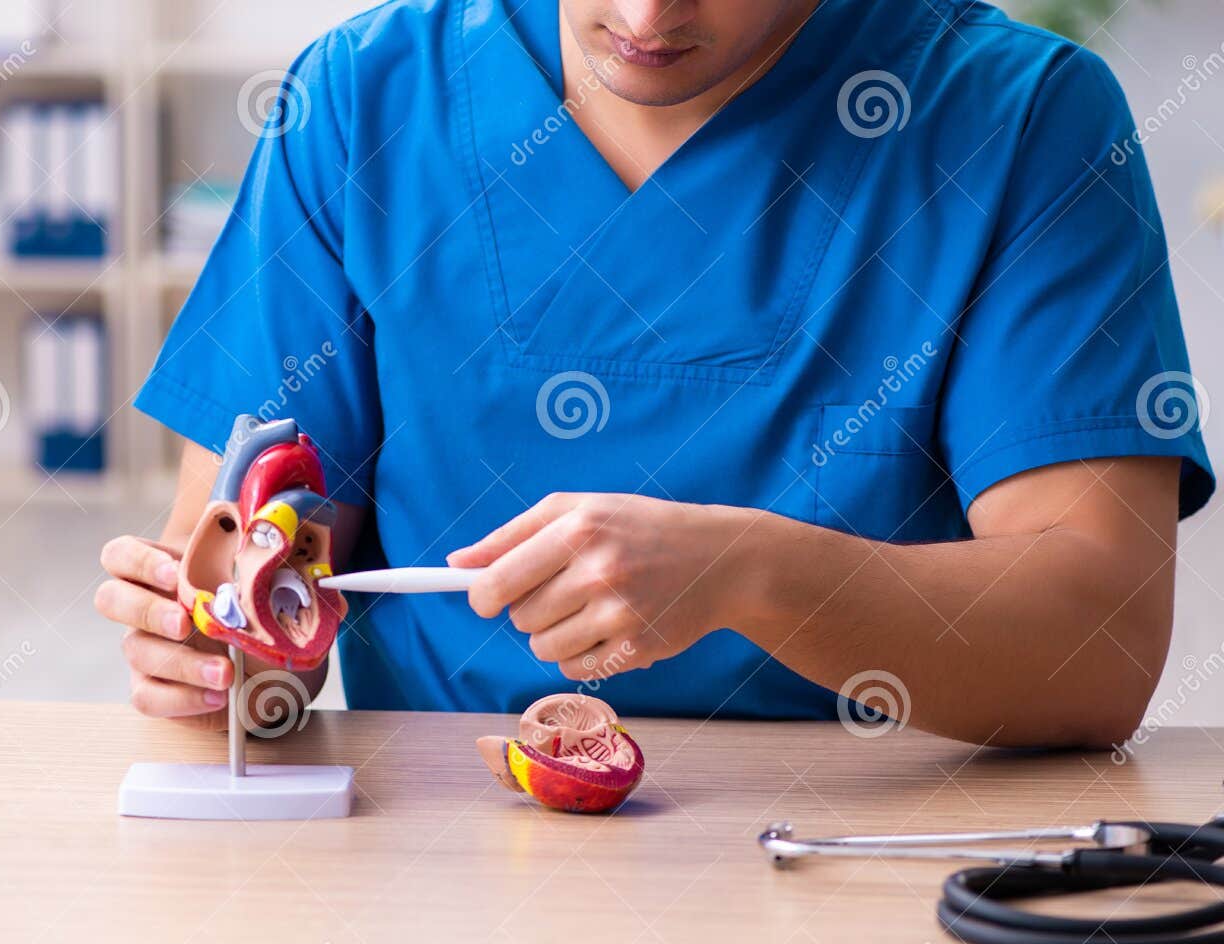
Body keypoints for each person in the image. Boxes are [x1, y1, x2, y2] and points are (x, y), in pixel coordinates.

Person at [96, 0, 1214, 747]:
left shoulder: (1012, 119)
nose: (643, 18)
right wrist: (213, 646)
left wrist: (750, 573)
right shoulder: (366, 100)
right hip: (432, 875)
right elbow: (250, 559)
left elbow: (1097, 645)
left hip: (864, 863)